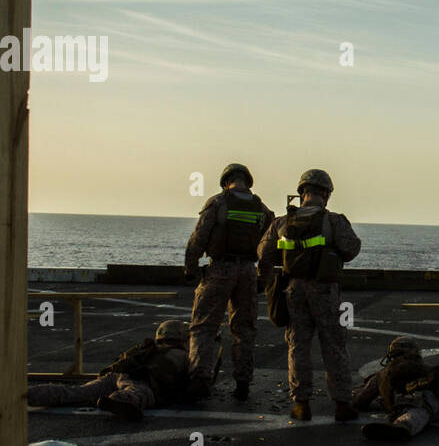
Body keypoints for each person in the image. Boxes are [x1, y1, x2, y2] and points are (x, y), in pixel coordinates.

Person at [257, 169, 361, 422]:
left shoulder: (281, 222)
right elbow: (351, 248)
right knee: (334, 346)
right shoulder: (333, 220)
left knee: (298, 346)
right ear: (325, 194)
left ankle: (301, 404)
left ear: (301, 193)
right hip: (324, 290)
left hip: (293, 290)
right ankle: (342, 404)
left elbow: (263, 253)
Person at [184, 163, 274, 402]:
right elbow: (268, 247)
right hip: (247, 271)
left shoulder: (218, 203)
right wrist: (263, 277)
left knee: (204, 326)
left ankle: (200, 380)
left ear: (225, 182)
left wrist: (190, 267)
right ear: (248, 181)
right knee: (244, 330)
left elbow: (198, 238)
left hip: (220, 269)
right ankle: (242, 382)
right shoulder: (261, 209)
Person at [25, 320, 191, 421]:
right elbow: (191, 380)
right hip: (142, 380)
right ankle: (120, 400)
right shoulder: (180, 354)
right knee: (139, 394)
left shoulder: (145, 348)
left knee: (77, 392)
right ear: (180, 338)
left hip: (114, 375)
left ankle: (31, 394)